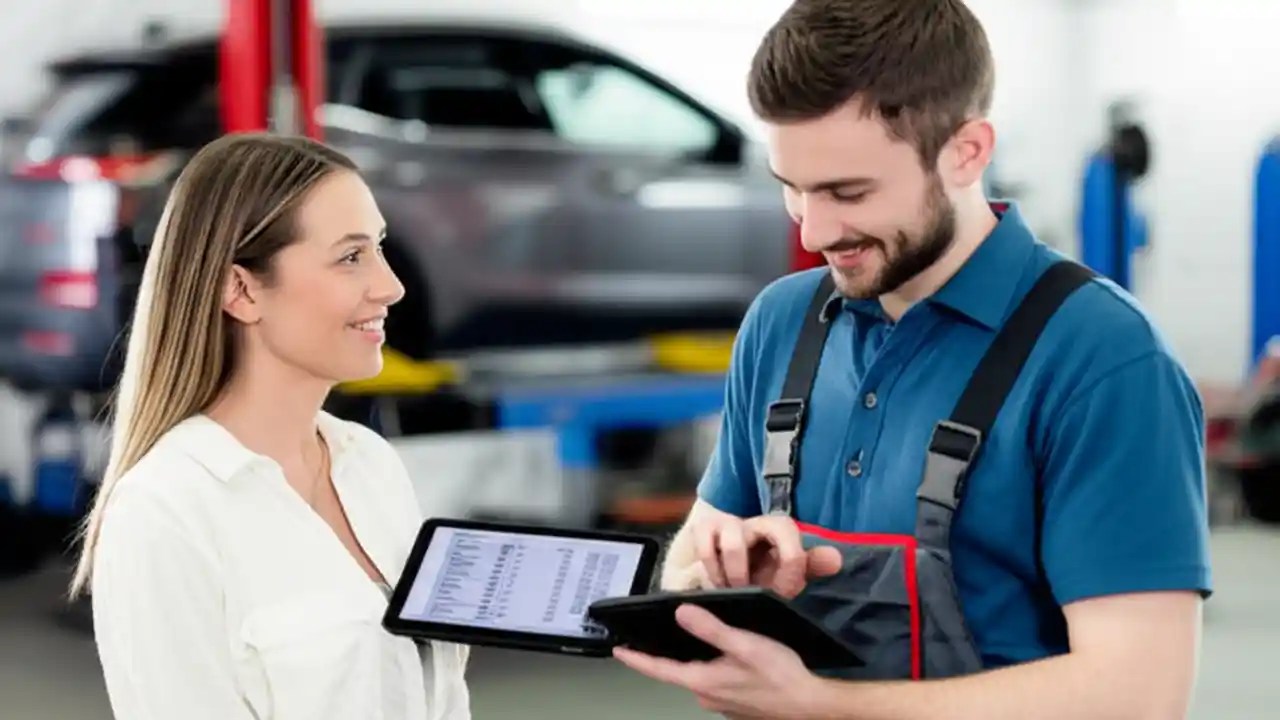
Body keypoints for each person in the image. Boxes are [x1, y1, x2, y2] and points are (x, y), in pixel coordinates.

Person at [613, 1, 1212, 718]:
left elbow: (1139, 696)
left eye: (848, 191)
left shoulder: (1102, 358)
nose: (815, 228)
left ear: (967, 151)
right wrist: (721, 567)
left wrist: (818, 704)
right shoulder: (782, 321)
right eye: (791, 187)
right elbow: (685, 572)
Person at [68, 133, 471, 720]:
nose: (391, 286)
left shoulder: (368, 462)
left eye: (379, 248)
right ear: (241, 289)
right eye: (351, 256)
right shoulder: (165, 511)